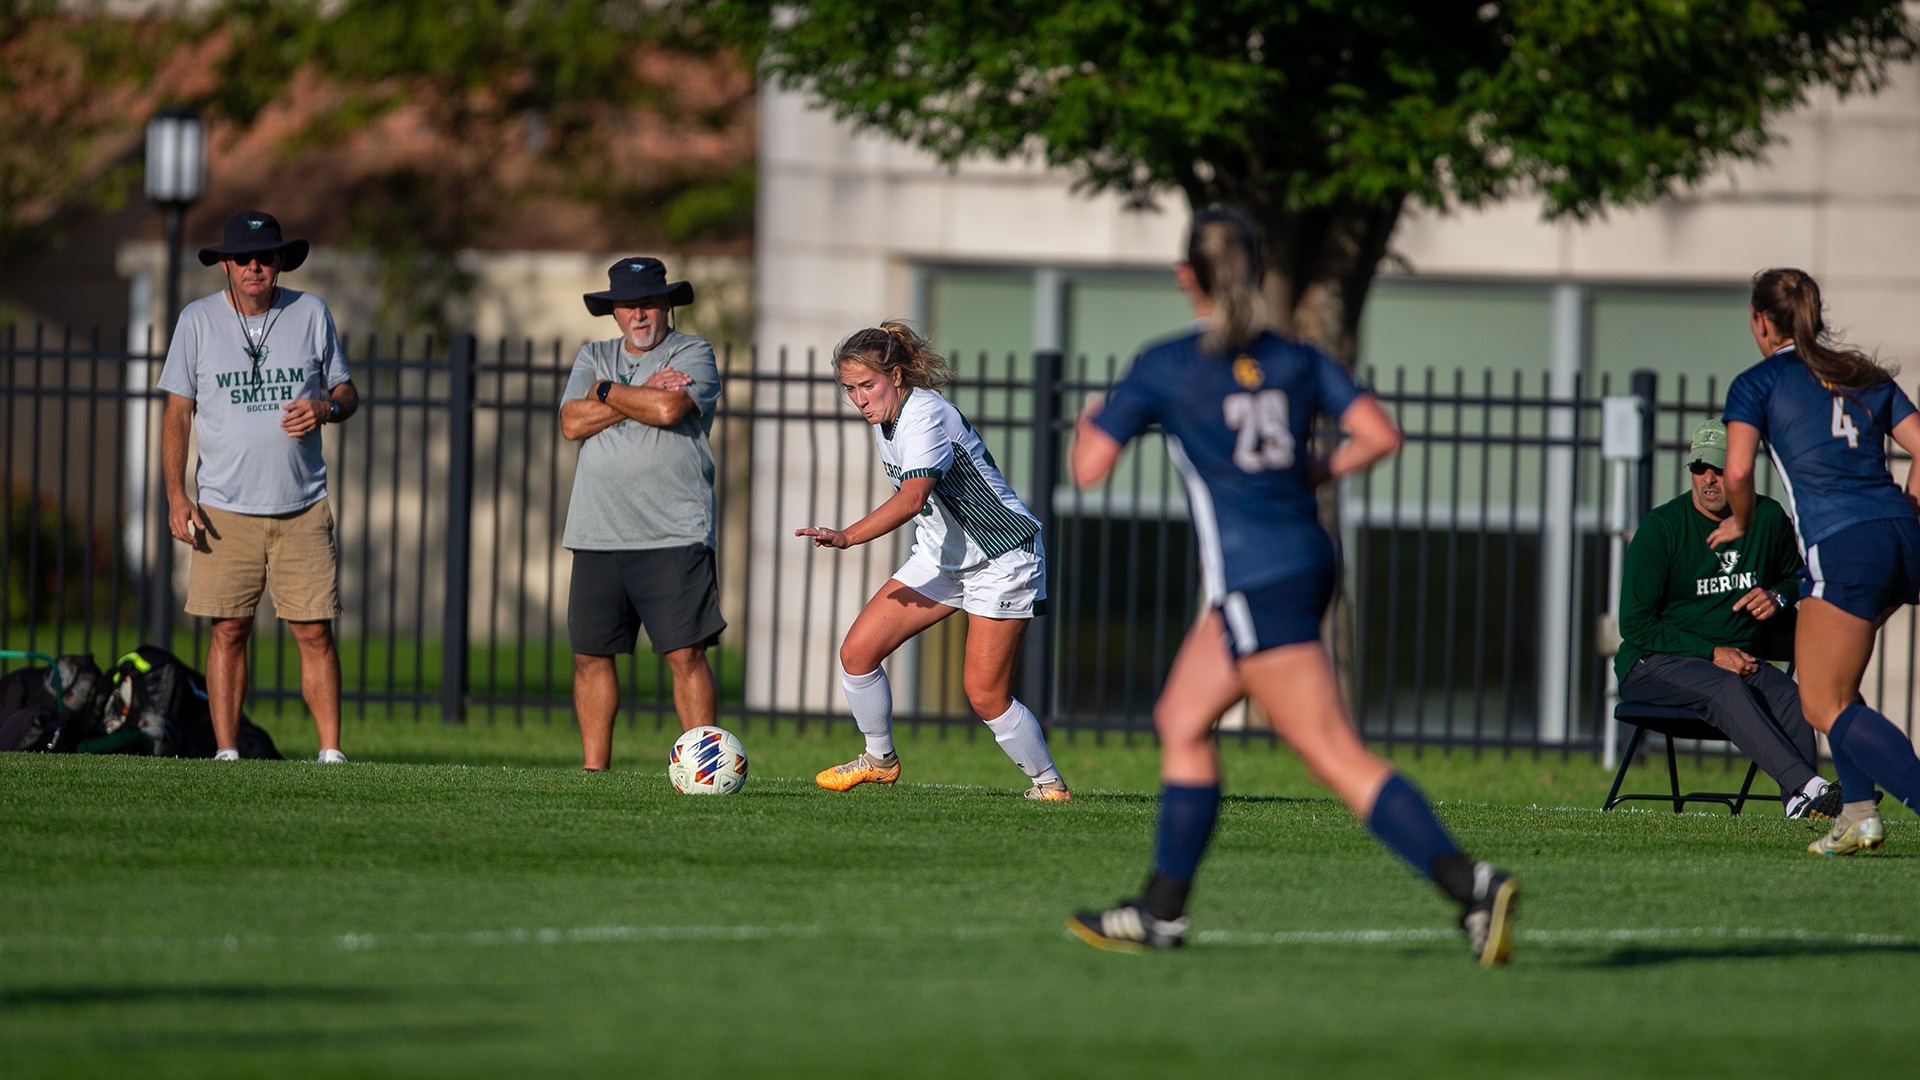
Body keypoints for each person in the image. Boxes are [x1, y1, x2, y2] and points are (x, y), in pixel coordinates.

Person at [1063, 205, 1517, 964]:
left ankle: (1470, 884)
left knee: (1334, 754)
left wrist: (1089, 425)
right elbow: (1381, 435)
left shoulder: (1168, 364)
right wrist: (1319, 467)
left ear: (1188, 278)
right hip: (1303, 559)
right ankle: (1160, 912)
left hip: (1253, 576)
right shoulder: (1296, 358)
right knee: (1181, 716)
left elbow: (1088, 470)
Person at [795, 322, 1071, 800]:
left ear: (897, 377)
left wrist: (847, 536)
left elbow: (911, 498)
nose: (859, 399)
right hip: (943, 557)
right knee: (857, 655)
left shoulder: (924, 415)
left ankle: (1049, 785)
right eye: (850, 389)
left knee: (985, 694)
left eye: (867, 386)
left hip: (1002, 558)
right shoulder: (888, 418)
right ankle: (880, 760)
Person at [1712, 266, 1920, 855]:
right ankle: (1858, 815)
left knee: (1820, 701)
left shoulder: (1758, 383)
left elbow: (1736, 471)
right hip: (1902, 536)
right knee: (1836, 686)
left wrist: (1742, 520)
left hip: (1843, 544)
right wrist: (1909, 510)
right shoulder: (1861, 373)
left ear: (1760, 320)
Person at [159, 210, 357, 763]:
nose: (254, 267)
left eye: (265, 257)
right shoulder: (196, 321)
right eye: (243, 258)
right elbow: (177, 413)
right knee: (228, 629)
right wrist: (177, 496)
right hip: (224, 506)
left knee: (314, 631)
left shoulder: (311, 312)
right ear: (225, 264)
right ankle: (227, 752)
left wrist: (325, 407)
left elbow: (347, 392)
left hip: (302, 504)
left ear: (279, 263)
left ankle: (331, 753)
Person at [1616, 417, 1838, 819]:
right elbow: (1634, 626)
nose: (1709, 479)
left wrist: (1779, 596)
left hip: (1734, 659)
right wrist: (1711, 651)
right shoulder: (1660, 529)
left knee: (1793, 699)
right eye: (1700, 468)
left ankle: (1798, 807)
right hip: (1654, 664)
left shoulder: (1767, 519)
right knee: (1726, 687)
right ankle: (1809, 786)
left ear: (1742, 471)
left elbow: (1800, 575)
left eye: (1719, 468)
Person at [560, 257, 725, 772]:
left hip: (673, 530)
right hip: (597, 528)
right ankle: (595, 772)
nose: (640, 314)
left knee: (685, 655)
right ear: (614, 312)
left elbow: (670, 410)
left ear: (668, 305)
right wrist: (643, 391)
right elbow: (569, 422)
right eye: (629, 305)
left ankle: (705, 769)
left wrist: (606, 393)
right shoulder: (594, 354)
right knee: (590, 656)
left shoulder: (694, 352)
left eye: (650, 303)